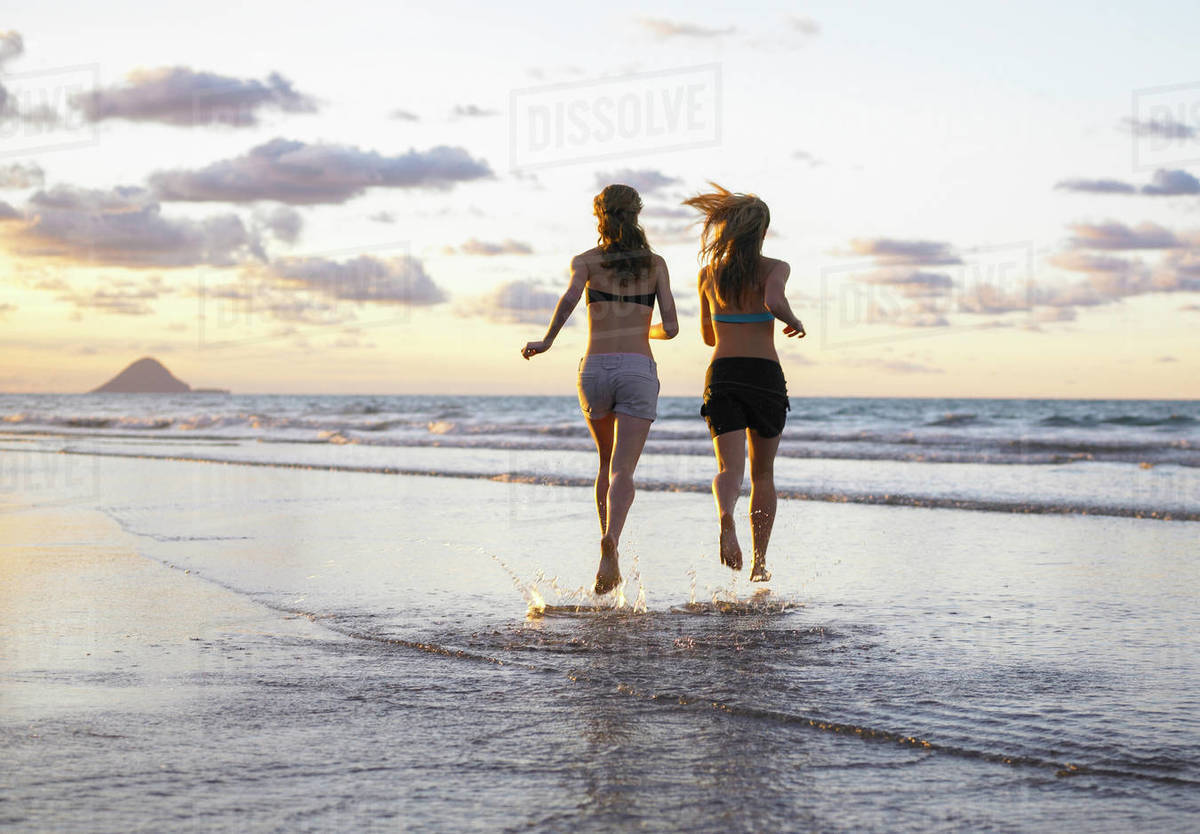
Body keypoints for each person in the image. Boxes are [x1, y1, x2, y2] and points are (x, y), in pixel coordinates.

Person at [522, 184, 679, 595]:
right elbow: (672, 328)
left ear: (600, 217)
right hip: (637, 368)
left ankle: (606, 539)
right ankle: (612, 541)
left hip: (594, 370)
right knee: (623, 470)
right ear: (637, 214)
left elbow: (570, 298)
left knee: (604, 461)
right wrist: (642, 328)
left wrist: (548, 340)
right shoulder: (656, 264)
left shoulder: (586, 261)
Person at [682, 183, 805, 582]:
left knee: (728, 468)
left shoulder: (707, 275)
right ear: (763, 232)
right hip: (764, 376)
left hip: (723, 374)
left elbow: (708, 337)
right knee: (763, 474)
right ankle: (759, 563)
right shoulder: (776, 268)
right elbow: (774, 301)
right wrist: (793, 320)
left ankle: (726, 519)